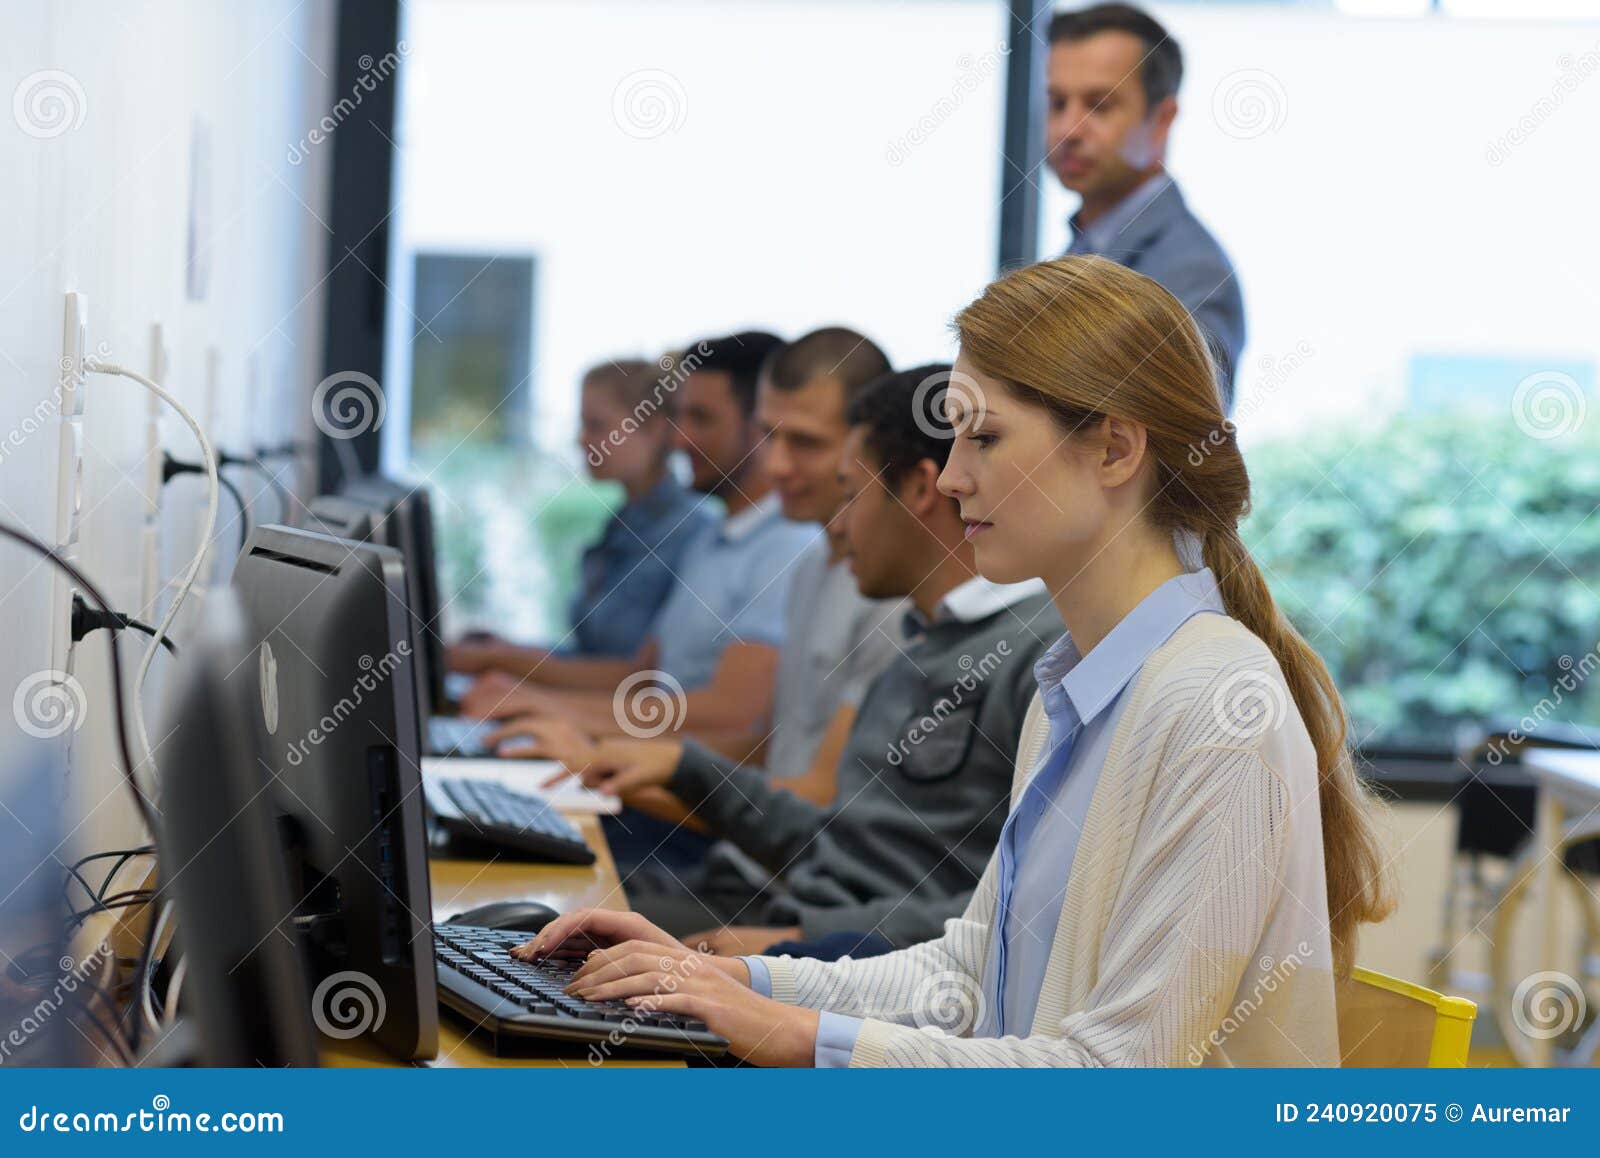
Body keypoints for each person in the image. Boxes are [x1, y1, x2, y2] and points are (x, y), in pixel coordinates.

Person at [511, 257, 1394, 1067]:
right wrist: (740, 985)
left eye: (984, 438)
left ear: (1117, 449)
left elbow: (1122, 1078)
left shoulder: (1213, 703)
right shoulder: (1071, 685)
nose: (955, 476)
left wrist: (797, 1032)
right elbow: (975, 974)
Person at [494, 365, 1060, 956]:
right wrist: (684, 767)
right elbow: (836, 843)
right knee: (521, 929)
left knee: (541, 933)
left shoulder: (1034, 657)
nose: (835, 528)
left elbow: (1008, 909)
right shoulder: (922, 640)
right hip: (797, 923)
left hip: (841, 963)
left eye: (852, 496)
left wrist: (788, 947)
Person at [456, 332, 818, 744]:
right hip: (638, 764)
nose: (679, 440)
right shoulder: (713, 540)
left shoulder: (787, 548)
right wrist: (528, 692)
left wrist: (552, 707)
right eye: (680, 418)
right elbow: (641, 677)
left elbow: (736, 714)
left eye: (702, 419)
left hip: (672, 789)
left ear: (760, 428)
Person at [448, 359, 713, 666]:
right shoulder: (622, 524)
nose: (581, 440)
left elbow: (638, 677)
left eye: (596, 426)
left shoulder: (690, 535)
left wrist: (507, 661)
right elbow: (590, 657)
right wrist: (509, 652)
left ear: (652, 429)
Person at [1047, 3, 1245, 407]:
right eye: (1057, 103)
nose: (1069, 129)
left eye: (1099, 106)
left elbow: (1175, 442)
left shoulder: (1192, 273)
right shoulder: (1086, 243)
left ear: (1162, 120)